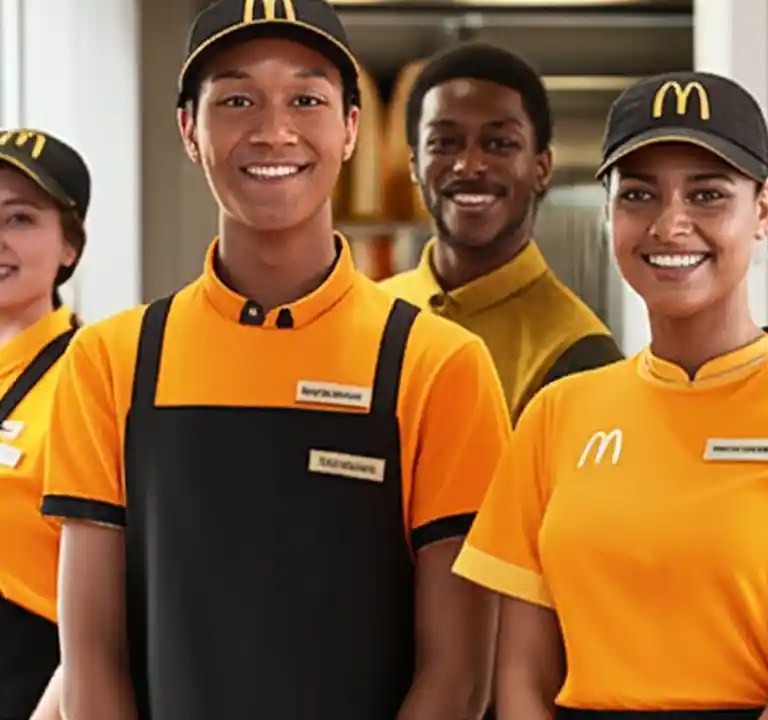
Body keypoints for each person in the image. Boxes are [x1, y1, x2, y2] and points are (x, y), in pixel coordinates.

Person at [39, 1, 510, 718]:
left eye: (306, 99)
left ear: (350, 128)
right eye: (236, 100)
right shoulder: (112, 361)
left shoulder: (437, 364)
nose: (273, 130)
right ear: (189, 129)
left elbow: (458, 674)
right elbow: (92, 662)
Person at [452, 70, 768, 719]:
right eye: (639, 194)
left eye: (707, 195)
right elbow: (523, 681)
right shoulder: (556, 415)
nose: (671, 224)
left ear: (763, 210)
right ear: (609, 213)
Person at [382, 42, 622, 421]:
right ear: (414, 165)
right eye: (445, 143)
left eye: (499, 144)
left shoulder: (579, 354)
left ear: (542, 168)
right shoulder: (373, 313)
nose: (468, 165)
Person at [0, 128, 87, 720]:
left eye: (20, 219)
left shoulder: (92, 379)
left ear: (69, 247)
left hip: (34, 686)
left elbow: (120, 598)